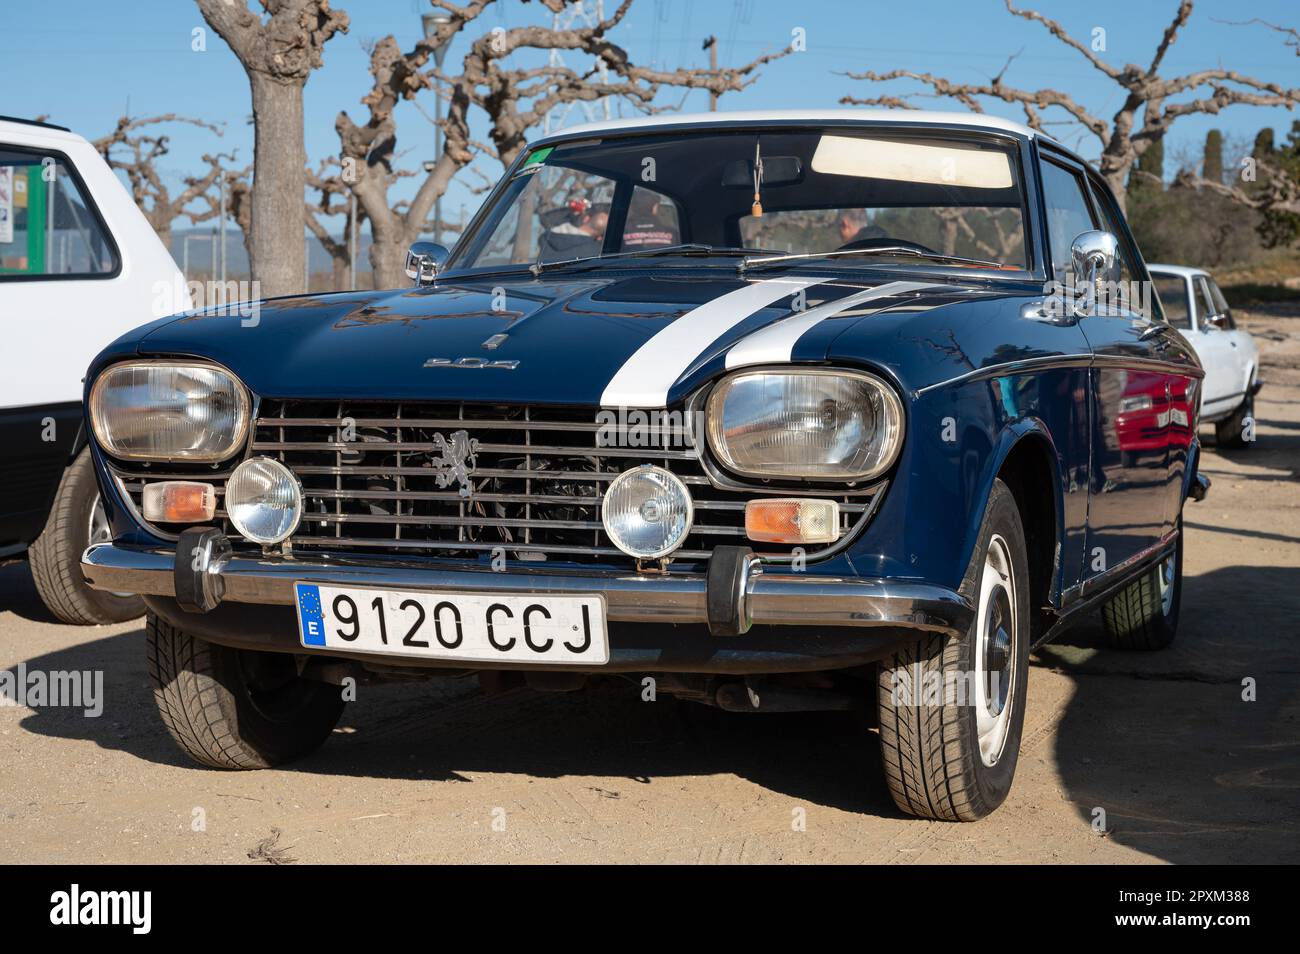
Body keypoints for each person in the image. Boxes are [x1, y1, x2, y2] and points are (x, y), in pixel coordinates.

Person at [538, 198, 609, 260]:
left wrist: (572, 210)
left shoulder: (551, 234)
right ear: (600, 237)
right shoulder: (593, 252)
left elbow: (545, 219)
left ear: (586, 219)